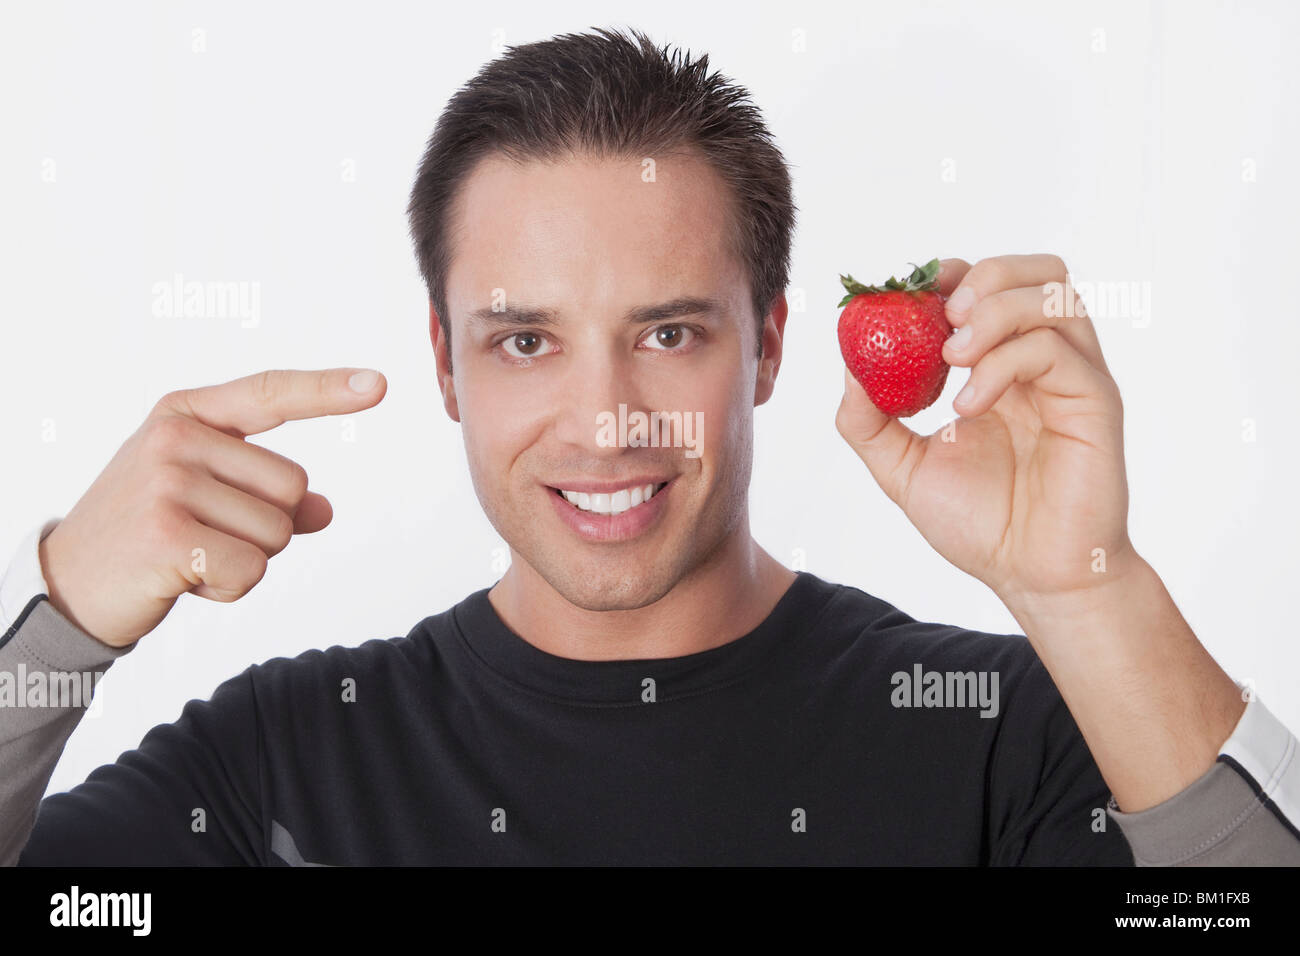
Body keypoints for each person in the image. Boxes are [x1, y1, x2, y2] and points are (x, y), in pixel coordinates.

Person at [2, 26, 1296, 866]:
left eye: (669, 334)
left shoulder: (1017, 736)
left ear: (772, 344)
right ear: (446, 366)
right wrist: (58, 628)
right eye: (524, 343)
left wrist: (1088, 587)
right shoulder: (278, 766)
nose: (608, 418)